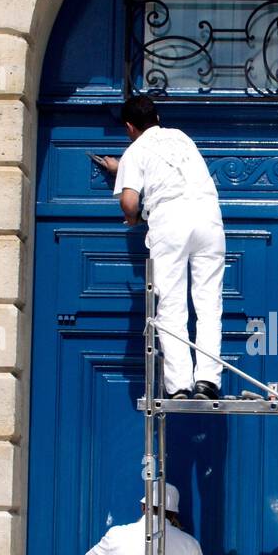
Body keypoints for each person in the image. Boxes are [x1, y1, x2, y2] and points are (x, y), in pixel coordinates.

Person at [95, 96, 226, 401]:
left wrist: (132, 217)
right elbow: (170, 172)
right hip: (208, 218)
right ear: (157, 116)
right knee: (208, 304)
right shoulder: (182, 138)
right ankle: (208, 381)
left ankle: (179, 384)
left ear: (129, 126)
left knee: (171, 305)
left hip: (171, 221)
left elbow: (130, 202)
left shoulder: (134, 151)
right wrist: (123, 169)